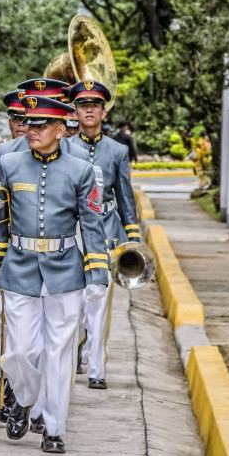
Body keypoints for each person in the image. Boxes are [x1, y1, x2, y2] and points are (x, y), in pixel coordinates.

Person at [0, 95, 109, 454]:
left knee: (58, 352)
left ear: (61, 130)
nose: (30, 130)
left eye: (40, 125)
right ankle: (23, 396)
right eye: (28, 123)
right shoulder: (8, 163)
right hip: (19, 267)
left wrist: (97, 273)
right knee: (21, 351)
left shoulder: (82, 169)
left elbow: (93, 224)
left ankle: (54, 427)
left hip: (65, 269)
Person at [68, 80, 140, 389]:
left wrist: (132, 236)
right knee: (73, 304)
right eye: (83, 105)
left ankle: (97, 367)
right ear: (75, 110)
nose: (88, 110)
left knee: (98, 301)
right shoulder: (64, 147)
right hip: (72, 234)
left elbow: (124, 195)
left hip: (107, 233)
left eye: (94, 105)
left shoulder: (118, 150)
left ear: (103, 110)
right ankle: (72, 355)